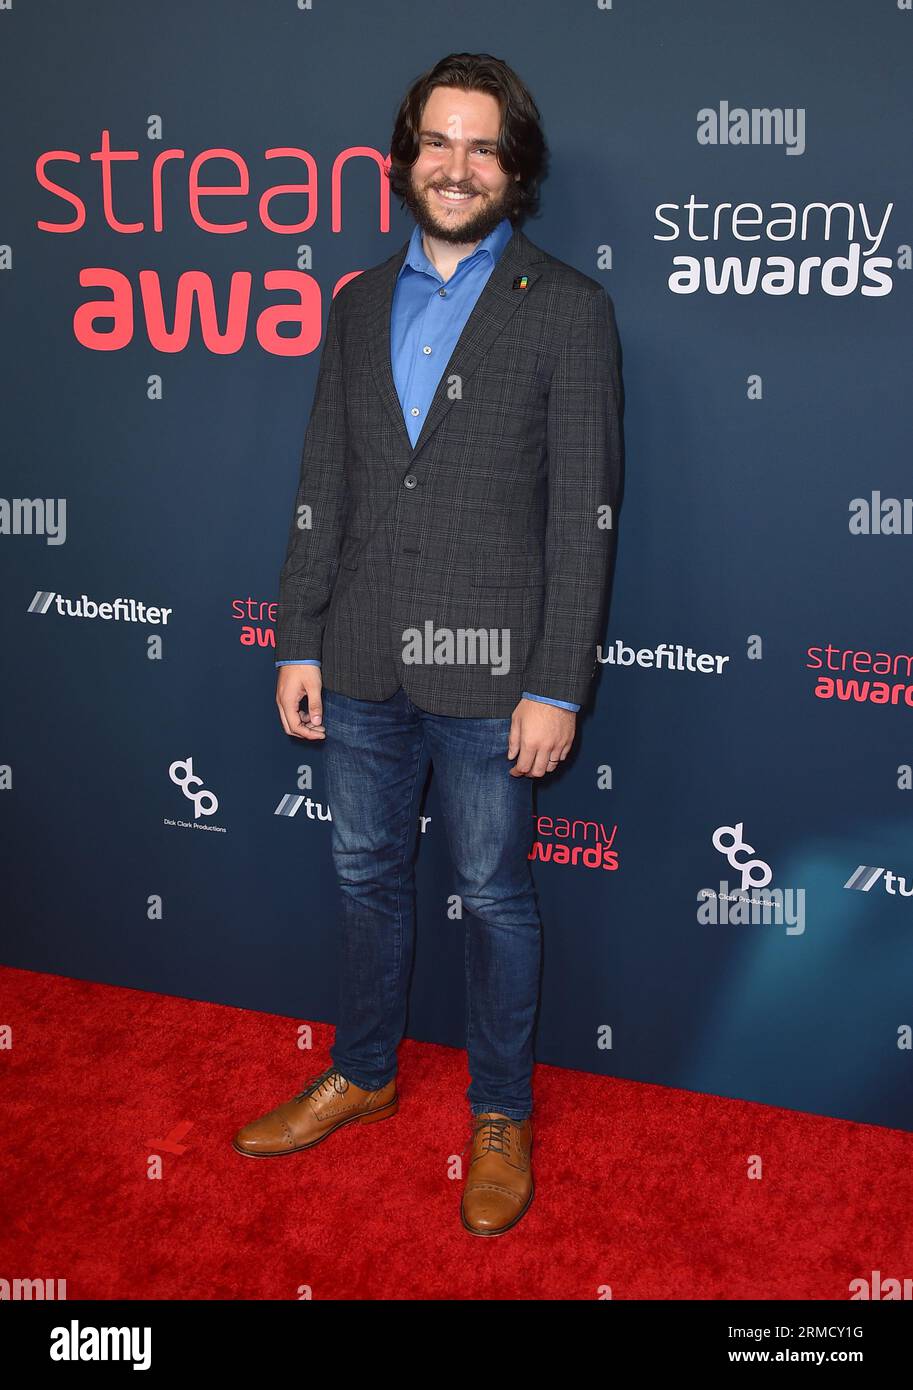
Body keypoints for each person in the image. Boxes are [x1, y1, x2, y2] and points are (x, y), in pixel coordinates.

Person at [233, 52, 623, 1237]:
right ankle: (363, 1069)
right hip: (354, 659)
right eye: (436, 143)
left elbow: (583, 514)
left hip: (493, 673)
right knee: (362, 877)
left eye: (481, 147)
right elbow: (324, 483)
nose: (456, 167)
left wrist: (557, 680)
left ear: (516, 167)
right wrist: (297, 637)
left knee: (494, 897)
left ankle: (499, 1113)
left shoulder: (567, 309)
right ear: (404, 157)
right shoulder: (355, 303)